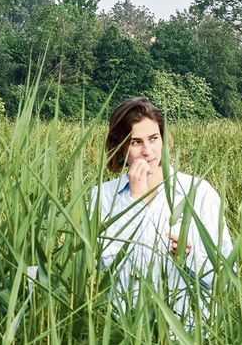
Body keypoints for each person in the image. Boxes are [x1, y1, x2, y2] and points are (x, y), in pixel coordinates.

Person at [90, 96, 232, 320]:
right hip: (123, 329)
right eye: (136, 142)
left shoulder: (199, 192)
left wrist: (190, 256)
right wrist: (134, 201)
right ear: (121, 147)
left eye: (154, 138)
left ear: (164, 140)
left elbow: (224, 275)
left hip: (187, 330)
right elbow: (99, 265)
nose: (148, 151)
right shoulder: (104, 195)